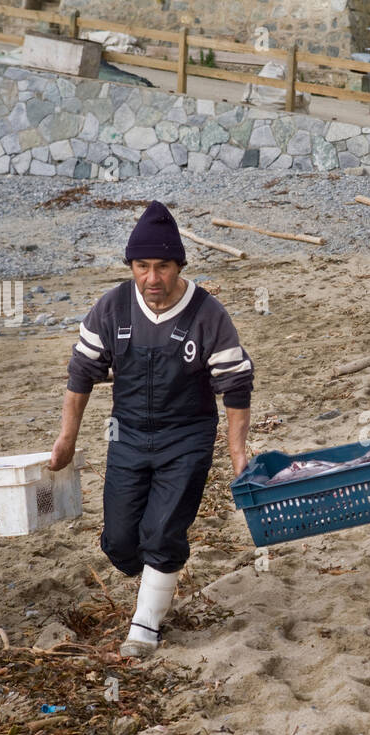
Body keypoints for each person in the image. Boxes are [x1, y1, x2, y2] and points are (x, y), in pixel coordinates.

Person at [50, 201, 254, 657]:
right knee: (120, 543)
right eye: (142, 266)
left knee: (162, 533)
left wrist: (238, 453)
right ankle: (151, 577)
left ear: (179, 265)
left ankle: (146, 625)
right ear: (132, 267)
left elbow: (236, 384)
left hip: (187, 438)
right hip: (125, 438)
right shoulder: (112, 308)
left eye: (162, 266)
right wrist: (67, 438)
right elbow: (82, 371)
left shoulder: (208, 314)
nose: (152, 278)